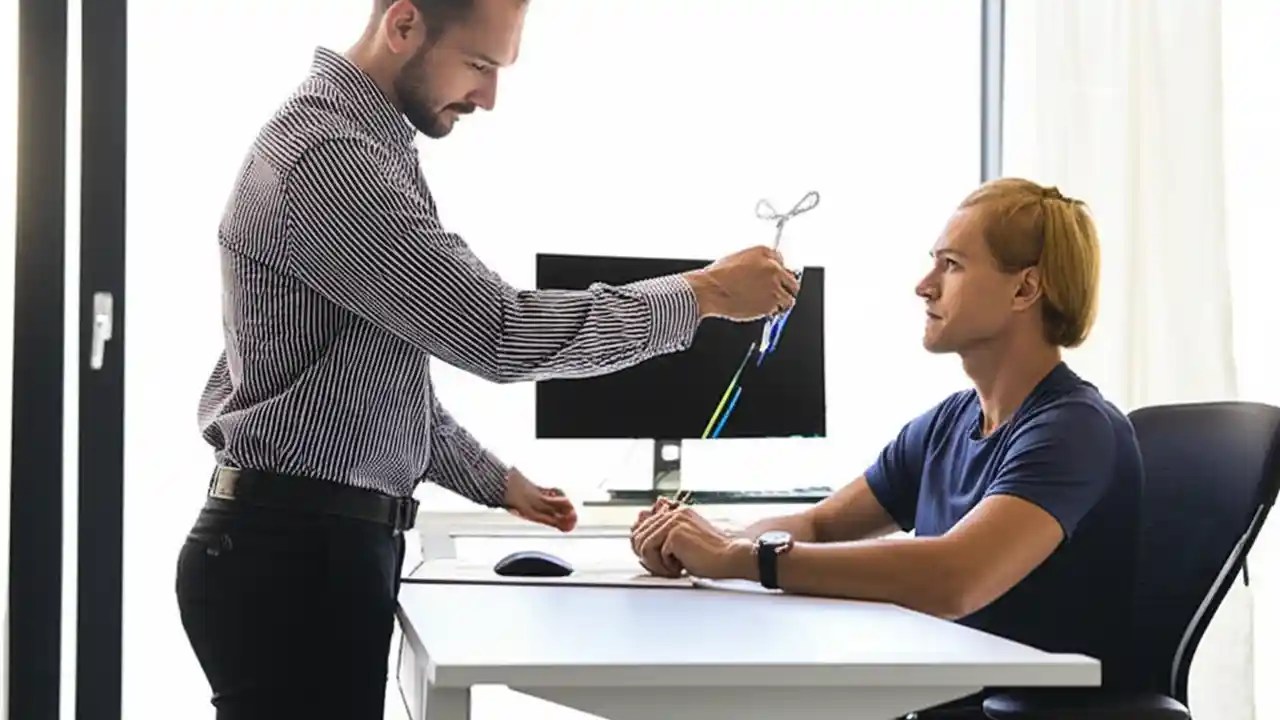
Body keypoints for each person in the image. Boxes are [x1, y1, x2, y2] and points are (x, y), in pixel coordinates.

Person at [174, 1, 800, 718]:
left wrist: (499, 482)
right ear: (403, 24)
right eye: (478, 65)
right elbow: (498, 331)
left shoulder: (368, 147)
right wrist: (704, 293)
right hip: (292, 555)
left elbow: (364, 383)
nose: (489, 98)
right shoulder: (331, 160)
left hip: (311, 545)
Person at [630, 178, 1144, 719]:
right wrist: (709, 538)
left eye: (952, 265)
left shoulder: (1075, 430)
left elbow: (956, 578)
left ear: (1024, 290)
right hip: (942, 699)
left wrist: (740, 559)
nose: (924, 285)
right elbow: (822, 526)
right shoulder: (951, 421)